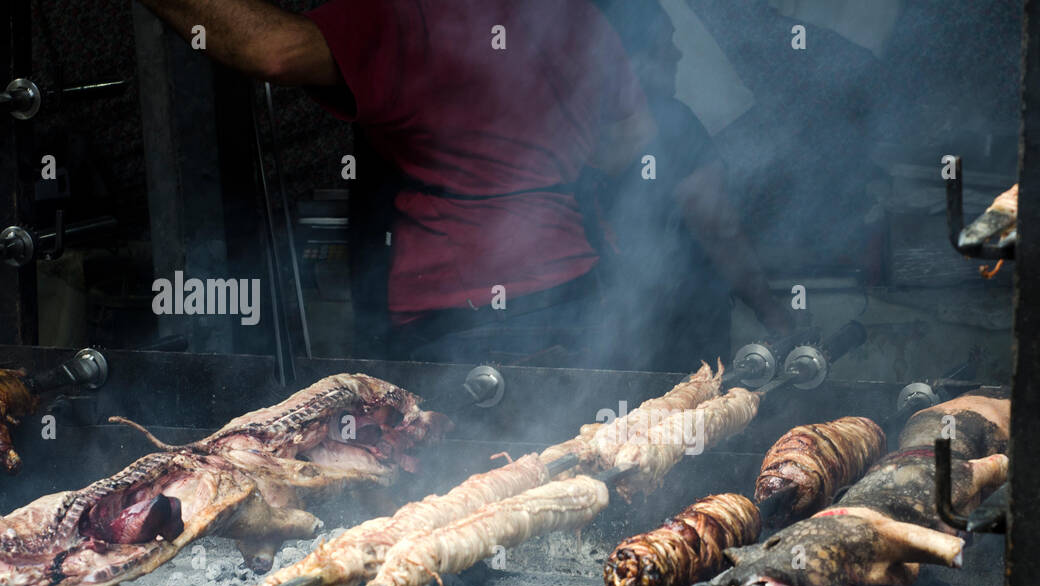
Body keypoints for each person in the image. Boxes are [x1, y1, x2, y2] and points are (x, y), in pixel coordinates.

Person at [134, 0, 656, 365]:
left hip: (459, 318)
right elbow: (636, 132)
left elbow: (273, 50)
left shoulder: (409, 13)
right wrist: (544, 175)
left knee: (455, 492)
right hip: (578, 291)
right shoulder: (574, 14)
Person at [593, 0, 795, 372]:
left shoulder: (576, 124)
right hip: (680, 321)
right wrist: (771, 311)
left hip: (603, 323)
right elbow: (718, 225)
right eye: (664, 43)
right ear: (634, 57)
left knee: (613, 426)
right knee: (682, 423)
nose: (677, 52)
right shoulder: (673, 122)